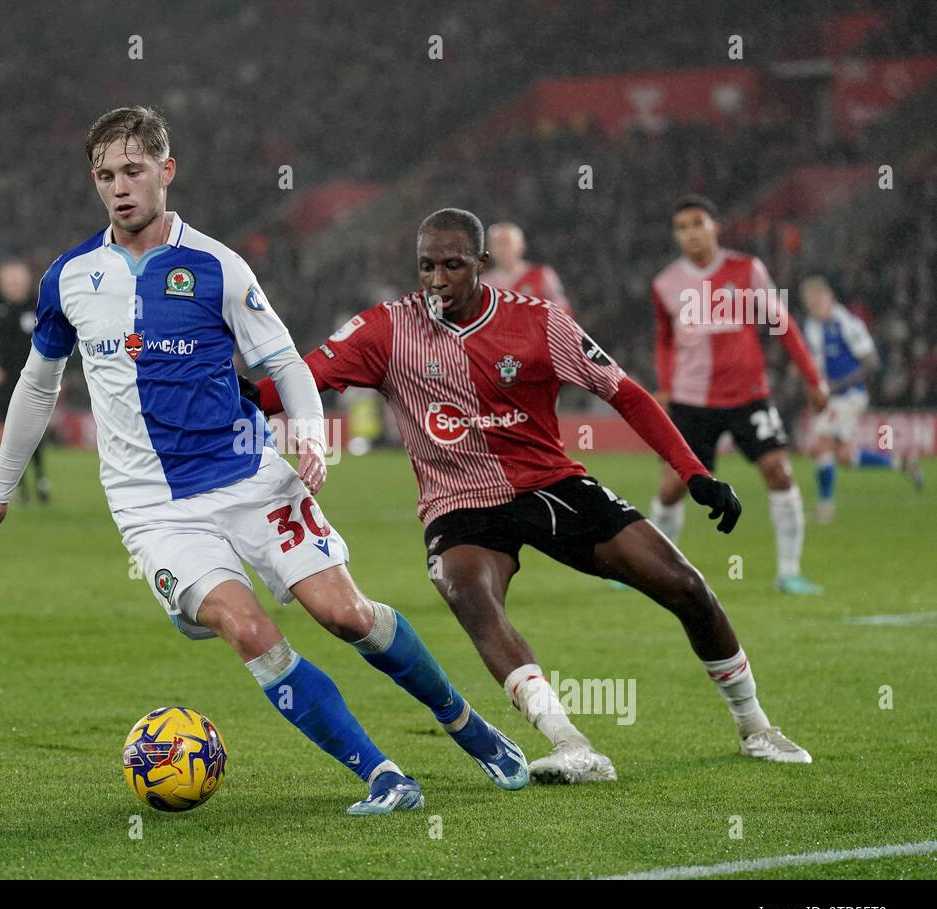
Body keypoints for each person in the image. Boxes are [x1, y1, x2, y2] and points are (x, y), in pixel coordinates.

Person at [0, 107, 527, 815]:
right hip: (152, 507)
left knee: (347, 617)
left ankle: (466, 726)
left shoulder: (218, 267)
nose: (119, 188)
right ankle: (382, 775)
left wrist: (311, 437)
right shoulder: (70, 277)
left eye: (133, 170)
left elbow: (283, 362)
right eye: (105, 176)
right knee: (251, 630)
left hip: (251, 476)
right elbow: (37, 385)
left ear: (167, 171)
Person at [248, 207, 813, 783]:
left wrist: (694, 473)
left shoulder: (540, 322)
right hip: (460, 503)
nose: (437, 279)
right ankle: (570, 743)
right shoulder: (386, 329)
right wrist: (217, 388)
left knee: (685, 586)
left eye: (452, 265)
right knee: (470, 594)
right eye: (426, 267)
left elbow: (627, 394)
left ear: (482, 265)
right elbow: (289, 385)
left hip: (550, 485)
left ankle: (755, 726)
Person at [650, 195, 829, 595]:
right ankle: (653, 569)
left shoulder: (746, 270)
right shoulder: (665, 283)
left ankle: (789, 572)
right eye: (681, 228)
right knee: (672, 487)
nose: (691, 234)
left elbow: (782, 324)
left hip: (749, 396)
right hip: (691, 401)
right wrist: (664, 385)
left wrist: (813, 378)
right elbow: (663, 340)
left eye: (698, 223)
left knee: (778, 472)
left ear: (715, 226)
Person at [800, 275, 922, 522]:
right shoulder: (812, 327)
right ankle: (901, 462)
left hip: (850, 396)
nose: (815, 308)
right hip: (833, 397)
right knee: (845, 456)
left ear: (829, 298)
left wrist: (836, 385)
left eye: (818, 302)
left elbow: (871, 362)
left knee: (820, 446)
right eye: (810, 305)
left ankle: (825, 510)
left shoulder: (847, 323)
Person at [0, 258, 49, 504]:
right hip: (6, 380)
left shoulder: (38, 305)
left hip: (35, 379)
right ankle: (19, 485)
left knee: (33, 431)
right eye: (8, 281)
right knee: (11, 433)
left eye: (17, 280)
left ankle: (40, 478)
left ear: (27, 280)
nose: (13, 285)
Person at [480, 222, 570, 312]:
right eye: (498, 243)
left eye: (507, 242)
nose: (503, 248)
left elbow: (562, 310)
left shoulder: (542, 275)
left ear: (521, 245)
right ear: (490, 248)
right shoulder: (483, 283)